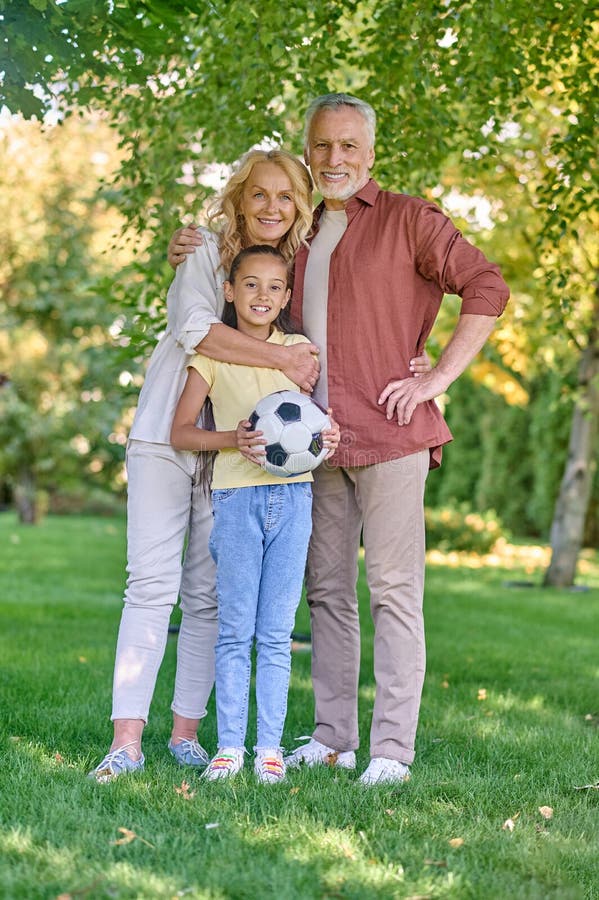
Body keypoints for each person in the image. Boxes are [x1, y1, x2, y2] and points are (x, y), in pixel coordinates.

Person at [168, 93, 509, 786]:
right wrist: (191, 246)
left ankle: (390, 749)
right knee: (325, 593)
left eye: (348, 145)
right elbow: (241, 286)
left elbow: (486, 285)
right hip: (311, 449)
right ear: (307, 148)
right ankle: (332, 738)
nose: (334, 159)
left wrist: (437, 376)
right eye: (321, 146)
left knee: (391, 590)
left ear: (370, 152)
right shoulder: (294, 234)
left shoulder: (410, 220)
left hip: (391, 435)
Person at [89, 149, 321, 782]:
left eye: (287, 197)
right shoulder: (202, 254)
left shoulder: (289, 271)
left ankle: (186, 734)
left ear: (301, 207)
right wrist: (282, 365)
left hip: (243, 459)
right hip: (171, 434)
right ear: (239, 199)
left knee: (208, 597)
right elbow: (196, 331)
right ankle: (126, 742)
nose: (273, 207)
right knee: (151, 584)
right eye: (260, 194)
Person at [170, 245, 340, 783]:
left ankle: (268, 746)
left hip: (294, 499)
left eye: (274, 286)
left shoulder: (300, 353)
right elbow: (181, 433)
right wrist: (233, 439)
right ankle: (229, 747)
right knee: (235, 629)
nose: (262, 295)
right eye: (250, 284)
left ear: (288, 296)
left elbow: (317, 422)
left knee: (275, 631)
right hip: (237, 499)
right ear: (229, 290)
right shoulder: (213, 356)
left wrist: (328, 436)